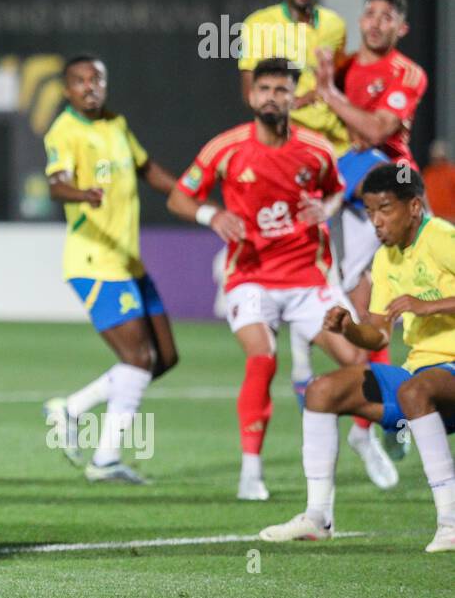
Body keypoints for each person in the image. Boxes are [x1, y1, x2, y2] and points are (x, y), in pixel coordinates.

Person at [168, 58, 396, 500]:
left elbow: (333, 191)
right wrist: (211, 213)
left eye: (282, 89)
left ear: (295, 97)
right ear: (251, 95)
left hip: (309, 279)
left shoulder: (315, 149)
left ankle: (362, 437)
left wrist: (325, 209)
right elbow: (180, 196)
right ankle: (251, 469)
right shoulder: (226, 148)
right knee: (263, 356)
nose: (272, 96)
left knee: (359, 360)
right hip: (250, 278)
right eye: (264, 88)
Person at [258, 164, 455, 553]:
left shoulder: (442, 237)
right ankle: (318, 517)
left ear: (415, 206)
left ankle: (450, 522)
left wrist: (428, 306)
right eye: (369, 212)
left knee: (415, 390)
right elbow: (379, 332)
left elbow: (423, 307)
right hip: (423, 377)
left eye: (385, 209)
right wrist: (348, 327)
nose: (376, 222)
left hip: (439, 376)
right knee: (321, 391)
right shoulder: (386, 259)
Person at [39, 55, 179, 484]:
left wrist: (192, 194)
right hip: (94, 261)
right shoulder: (64, 131)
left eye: (96, 79)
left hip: (128, 261)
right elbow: (55, 183)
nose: (89, 87)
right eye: (79, 81)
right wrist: (81, 194)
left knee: (164, 358)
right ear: (67, 90)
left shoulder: (115, 123)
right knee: (138, 360)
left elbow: (146, 168)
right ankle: (104, 458)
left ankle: (73, 410)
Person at [314, 0, 427, 456]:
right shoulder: (341, 69)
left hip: (396, 187)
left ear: (400, 28)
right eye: (370, 13)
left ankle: (409, 400)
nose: (376, 22)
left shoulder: (408, 73)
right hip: (352, 196)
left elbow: (379, 130)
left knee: (426, 291)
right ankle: (376, 421)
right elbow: (310, 109)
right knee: (366, 308)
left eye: (387, 17)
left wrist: (329, 97)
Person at [237, 0, 348, 154]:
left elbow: (339, 83)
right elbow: (250, 95)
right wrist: (299, 101)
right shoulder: (258, 24)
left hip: (336, 143)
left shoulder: (336, 25)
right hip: (288, 140)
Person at [423, 140, 455, 223]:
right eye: (435, 159)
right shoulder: (428, 174)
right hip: (433, 219)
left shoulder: (452, 173)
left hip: (450, 219)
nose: (437, 161)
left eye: (440, 159)